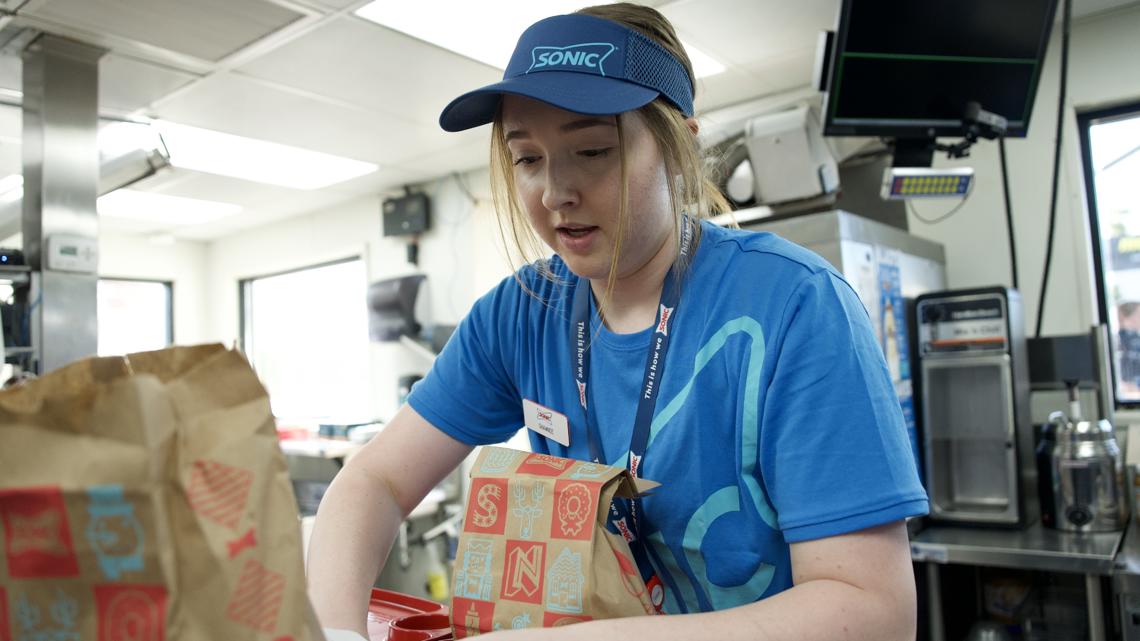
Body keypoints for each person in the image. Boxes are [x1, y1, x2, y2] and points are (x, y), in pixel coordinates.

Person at [306, 4, 928, 640]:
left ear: (680, 146)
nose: (555, 192)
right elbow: (374, 481)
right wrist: (339, 631)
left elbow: (875, 612)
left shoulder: (795, 306)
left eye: (593, 150)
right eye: (527, 159)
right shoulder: (520, 312)